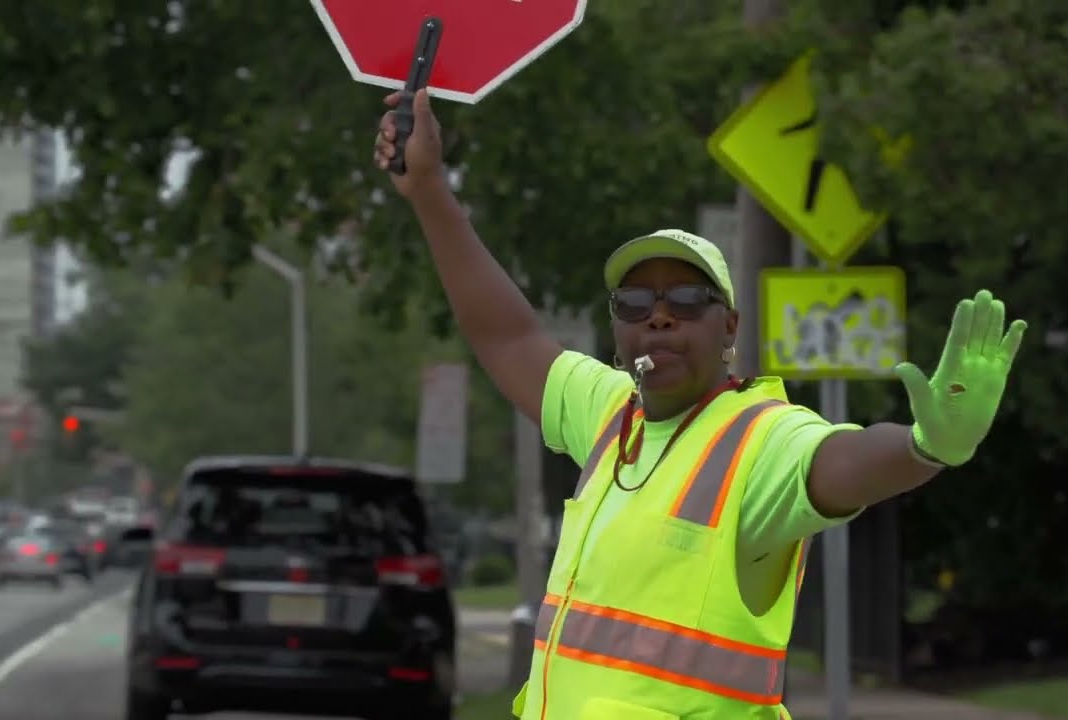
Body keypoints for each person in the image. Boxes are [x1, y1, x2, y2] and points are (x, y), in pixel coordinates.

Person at [373, 90, 1027, 720]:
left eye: (686, 301)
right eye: (634, 304)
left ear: (730, 329)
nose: (658, 319)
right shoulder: (612, 413)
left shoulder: (758, 440)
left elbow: (842, 461)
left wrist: (925, 446)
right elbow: (508, 333)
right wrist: (430, 189)